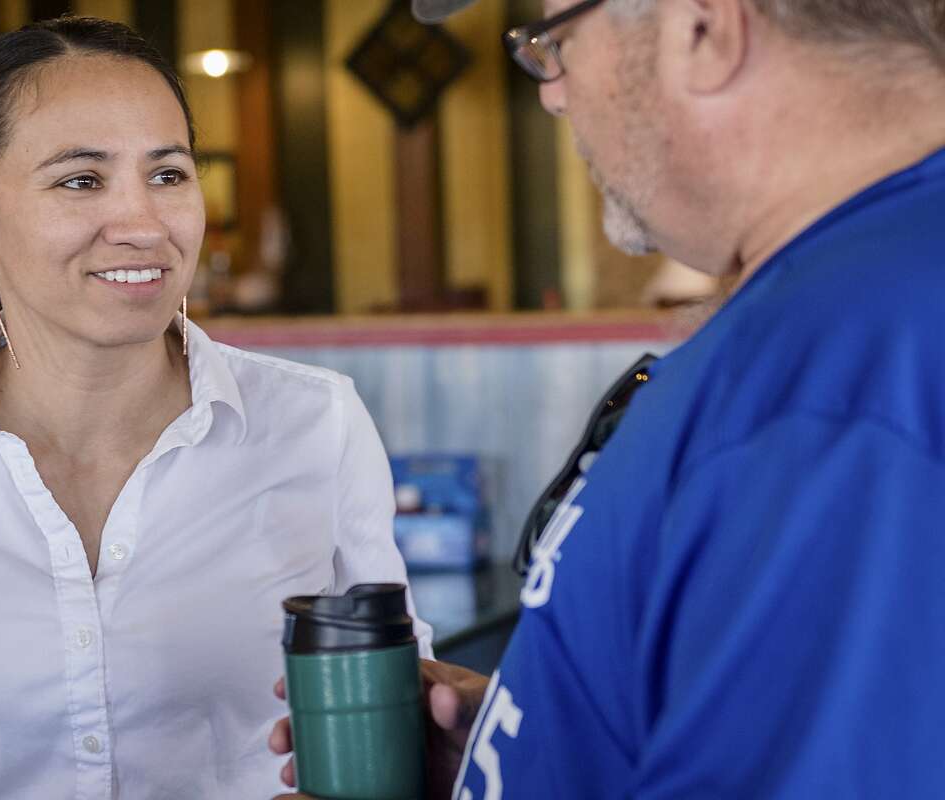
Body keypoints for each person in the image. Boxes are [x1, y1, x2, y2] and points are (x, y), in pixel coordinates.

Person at [272, 0, 945, 796]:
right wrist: (541, 742)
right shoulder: (851, 311)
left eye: (553, 44)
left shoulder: (822, 389)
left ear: (704, 28)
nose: (552, 93)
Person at [0, 17, 431, 799]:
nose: (143, 225)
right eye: (81, 180)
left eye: (169, 175)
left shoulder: (317, 424)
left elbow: (393, 725)